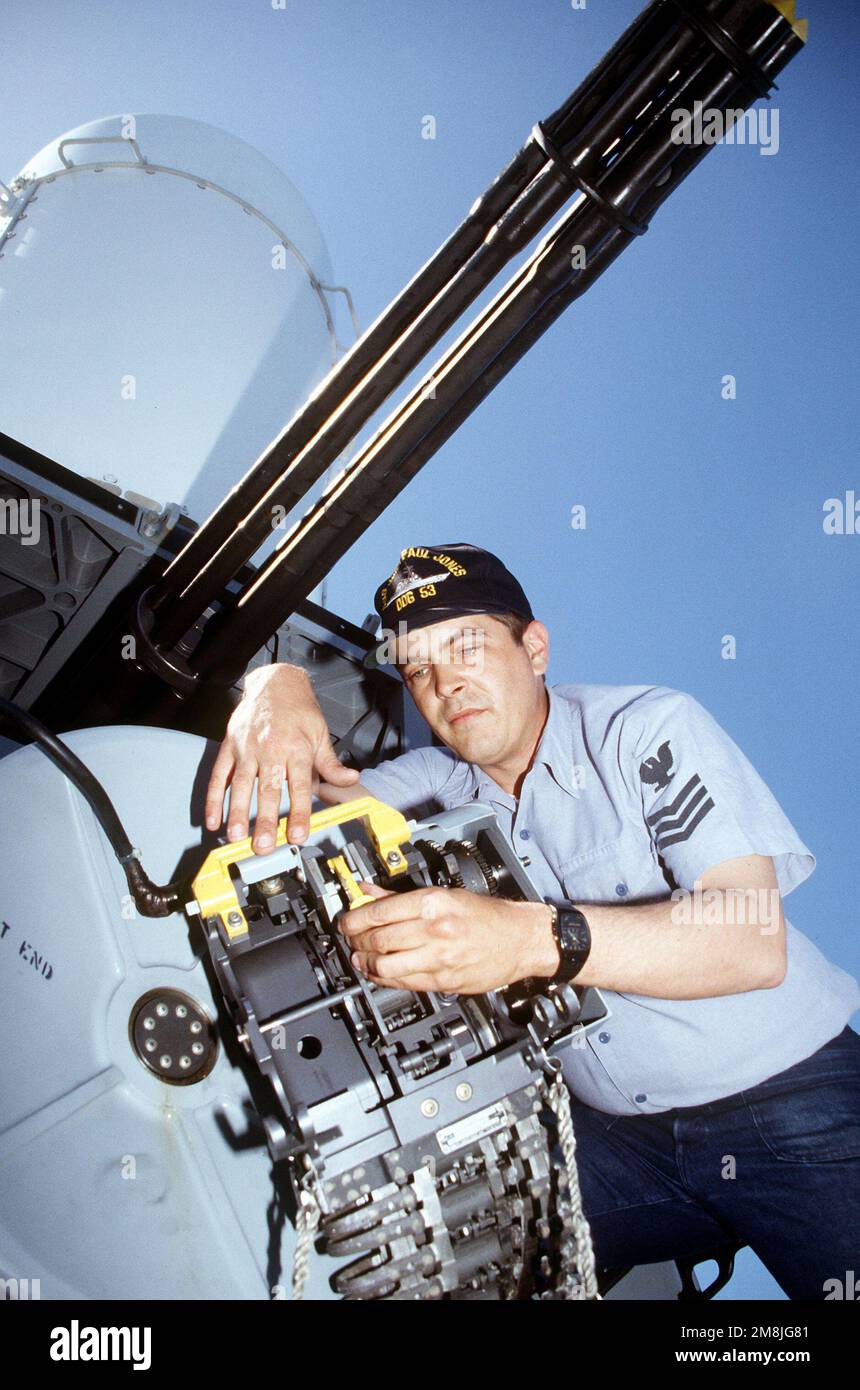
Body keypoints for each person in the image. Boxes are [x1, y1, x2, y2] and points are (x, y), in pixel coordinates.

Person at [205, 541, 860, 1300]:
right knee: (425, 1246)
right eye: (417, 668)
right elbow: (266, 841)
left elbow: (749, 939)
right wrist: (272, 686)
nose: (444, 684)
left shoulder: (644, 728)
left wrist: (526, 937)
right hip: (615, 1140)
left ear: (535, 647)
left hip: (794, 1103)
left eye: (466, 645)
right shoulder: (431, 784)